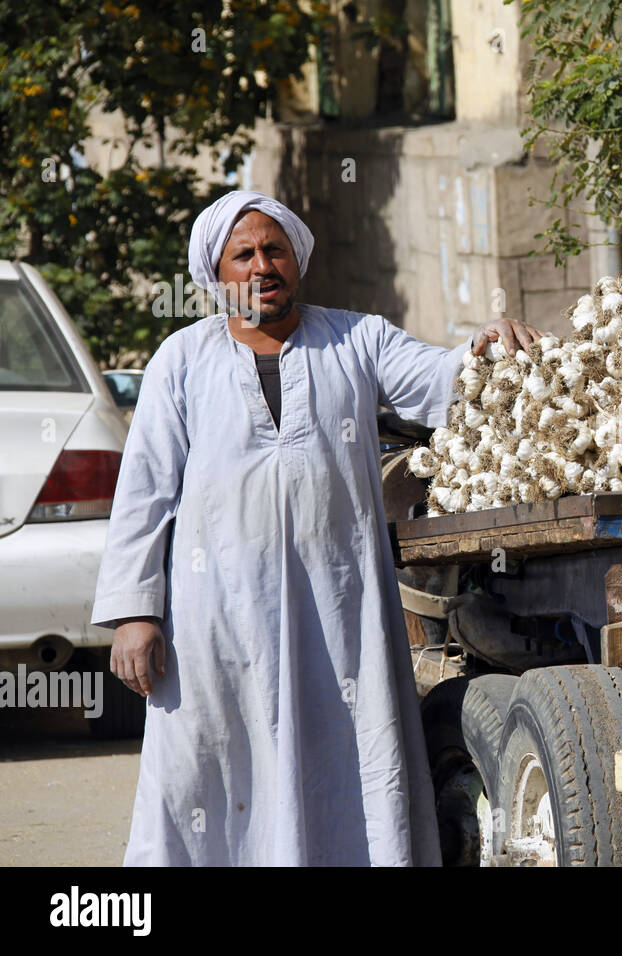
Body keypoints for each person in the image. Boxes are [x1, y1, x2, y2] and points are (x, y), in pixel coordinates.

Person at [90, 190, 541, 865]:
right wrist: (134, 615)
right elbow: (144, 495)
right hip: (214, 628)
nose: (262, 265)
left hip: (340, 618)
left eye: (274, 250)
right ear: (216, 275)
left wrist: (476, 350)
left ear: (296, 259)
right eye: (243, 255)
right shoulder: (181, 362)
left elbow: (437, 378)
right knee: (208, 778)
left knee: (345, 767)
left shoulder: (356, 339)